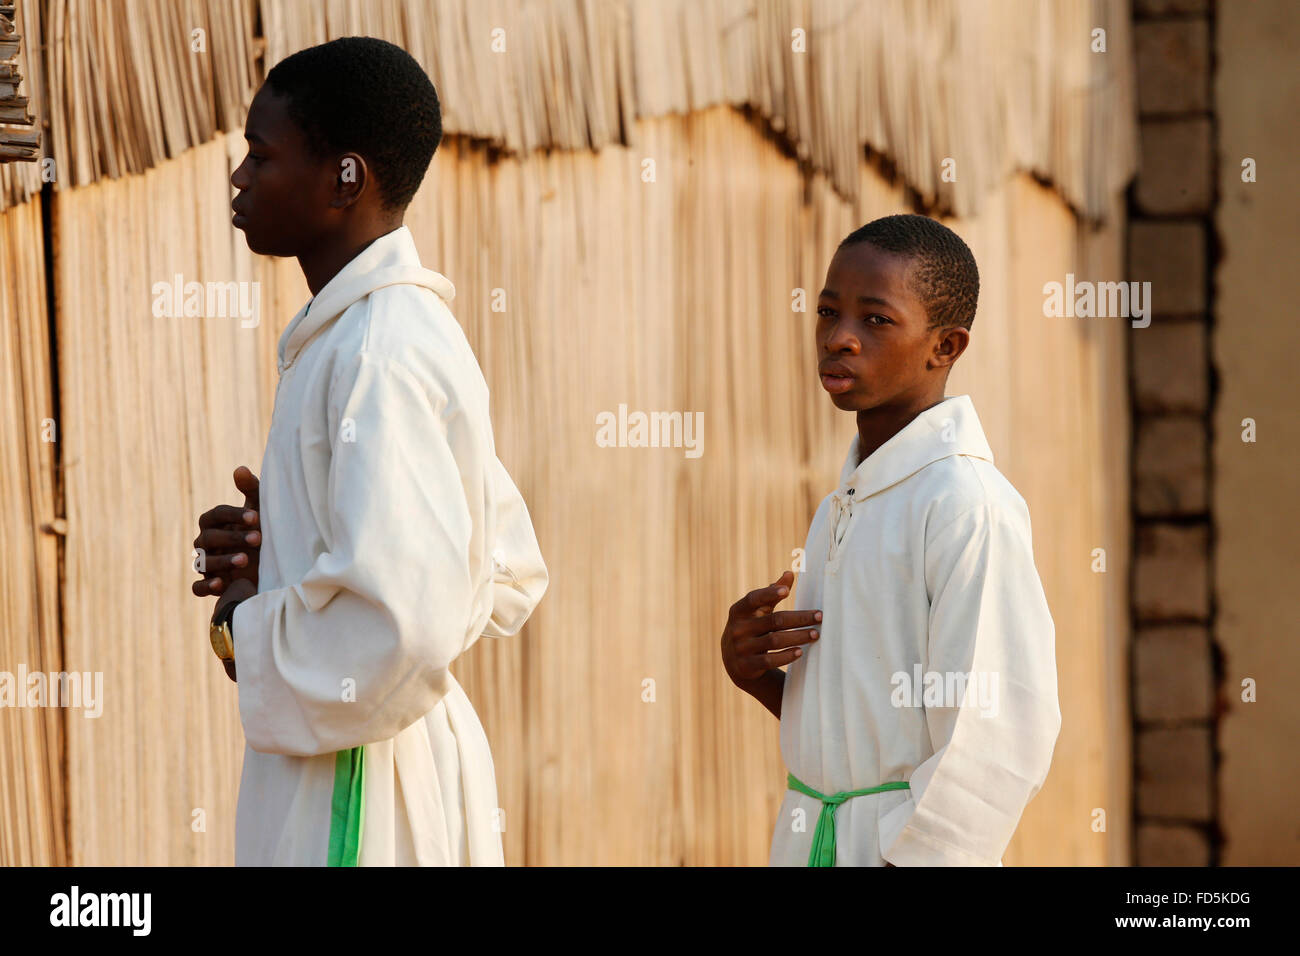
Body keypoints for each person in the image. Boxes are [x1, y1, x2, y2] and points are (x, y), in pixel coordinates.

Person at [191, 37, 547, 866]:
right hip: (359, 763)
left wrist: (247, 615)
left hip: (362, 786)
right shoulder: (361, 337)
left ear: (344, 179)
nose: (240, 180)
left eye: (261, 154)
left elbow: (404, 623)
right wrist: (283, 539)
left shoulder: (379, 354)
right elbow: (493, 562)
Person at [720, 214, 1061, 866]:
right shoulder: (844, 505)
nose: (839, 338)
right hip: (813, 842)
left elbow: (1000, 737)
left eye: (876, 320)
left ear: (946, 347)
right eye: (827, 312)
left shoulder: (965, 506)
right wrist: (757, 675)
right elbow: (860, 734)